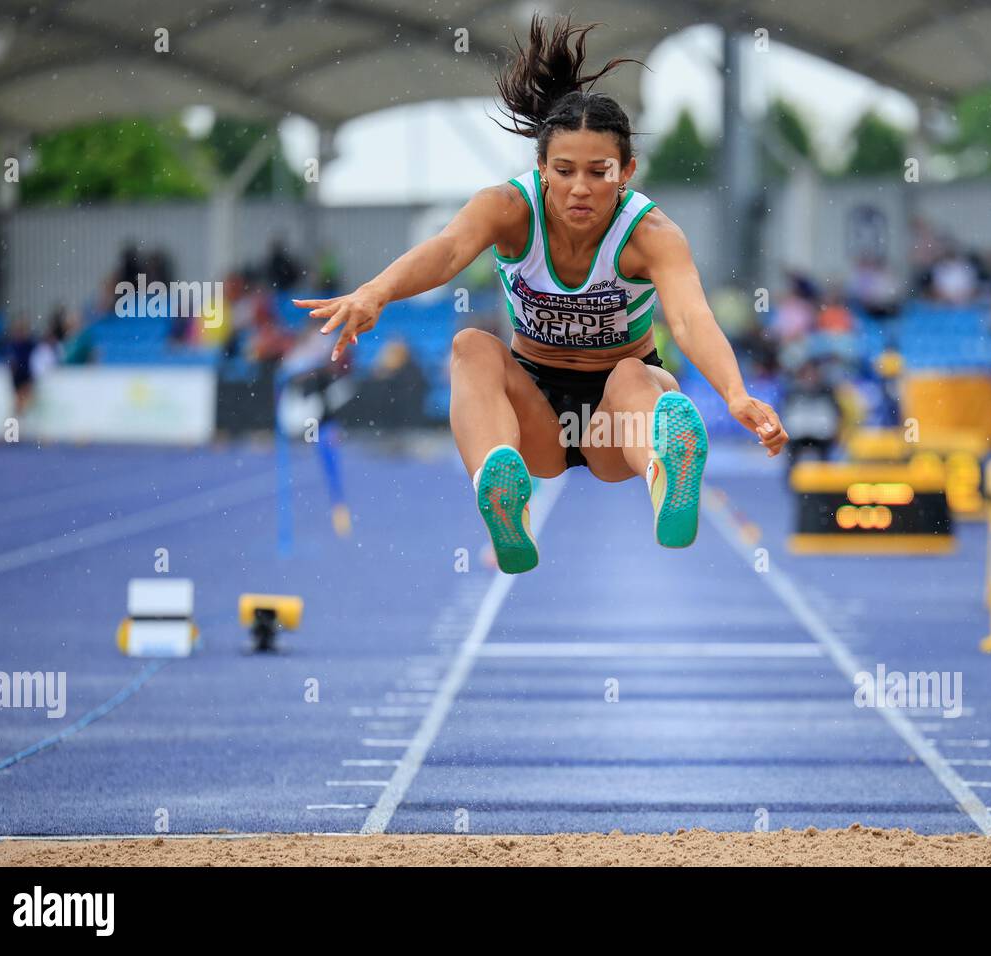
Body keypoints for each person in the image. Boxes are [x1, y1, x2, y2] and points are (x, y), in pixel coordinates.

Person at [293, 13, 787, 573]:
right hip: (537, 415)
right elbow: (449, 250)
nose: (581, 188)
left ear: (627, 170)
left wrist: (735, 393)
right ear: (542, 168)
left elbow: (692, 320)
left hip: (615, 423)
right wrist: (375, 292)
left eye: (599, 172)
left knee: (637, 376)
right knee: (471, 348)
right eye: (565, 170)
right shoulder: (509, 208)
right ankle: (501, 491)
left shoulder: (651, 236)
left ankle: (664, 474)